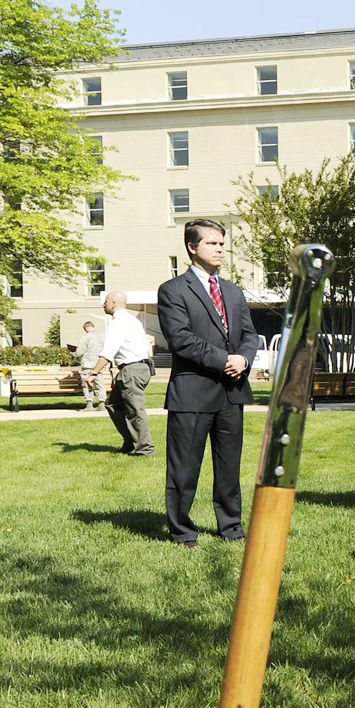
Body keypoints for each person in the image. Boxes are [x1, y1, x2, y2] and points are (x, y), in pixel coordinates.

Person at [156, 221, 260, 543]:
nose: (219, 249)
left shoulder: (232, 290)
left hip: (232, 392)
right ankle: (183, 531)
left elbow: (249, 335)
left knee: (229, 469)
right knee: (184, 470)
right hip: (192, 393)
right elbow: (181, 339)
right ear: (192, 246)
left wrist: (243, 358)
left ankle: (231, 527)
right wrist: (223, 359)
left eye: (222, 244)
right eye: (212, 243)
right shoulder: (173, 290)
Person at [92, 291, 157, 454]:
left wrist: (93, 373)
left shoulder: (120, 322)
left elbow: (109, 350)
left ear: (114, 303)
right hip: (137, 367)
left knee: (135, 409)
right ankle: (131, 440)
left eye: (105, 301)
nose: (103, 304)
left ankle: (145, 449)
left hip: (133, 369)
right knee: (113, 404)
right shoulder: (132, 320)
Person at [74, 320, 104, 410]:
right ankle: (102, 404)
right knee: (99, 384)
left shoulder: (86, 337)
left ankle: (89, 404)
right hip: (99, 364)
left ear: (86, 328)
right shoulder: (102, 337)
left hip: (88, 363)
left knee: (87, 384)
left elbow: (80, 351)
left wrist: (74, 354)